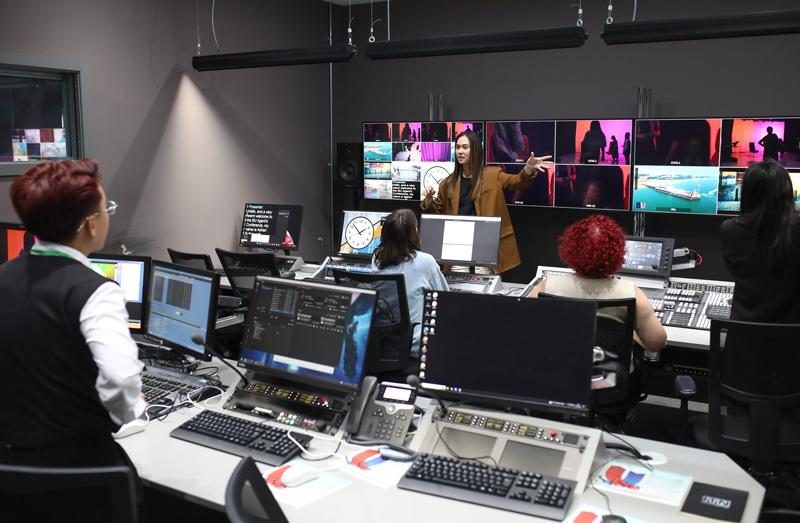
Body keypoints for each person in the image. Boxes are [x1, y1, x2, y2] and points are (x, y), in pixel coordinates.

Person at [0, 159, 146, 521]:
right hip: (83, 482)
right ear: (91, 224)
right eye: (106, 208)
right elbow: (120, 378)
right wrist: (132, 412)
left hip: (10, 478)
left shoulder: (2, 276)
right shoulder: (96, 292)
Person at [528, 214, 667, 353]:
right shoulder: (632, 293)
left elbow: (526, 329)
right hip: (609, 373)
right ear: (618, 253)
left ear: (571, 248)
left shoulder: (546, 287)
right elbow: (656, 343)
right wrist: (629, 333)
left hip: (560, 370)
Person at [421, 130, 552, 273]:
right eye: (458, 147)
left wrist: (527, 169)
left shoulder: (493, 175)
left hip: (483, 242)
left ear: (475, 150)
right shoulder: (447, 183)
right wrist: (428, 201)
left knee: (483, 284)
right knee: (457, 284)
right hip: (457, 243)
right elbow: (437, 214)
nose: (460, 151)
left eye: (465, 147)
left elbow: (517, 181)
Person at [721, 161, 800, 322]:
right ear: (786, 192)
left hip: (743, 337)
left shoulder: (729, 229)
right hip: (791, 339)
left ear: (748, 193)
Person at [371, 209, 448, 354]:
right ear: (414, 234)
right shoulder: (426, 262)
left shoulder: (376, 260)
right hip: (415, 349)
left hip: (383, 346)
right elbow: (446, 300)